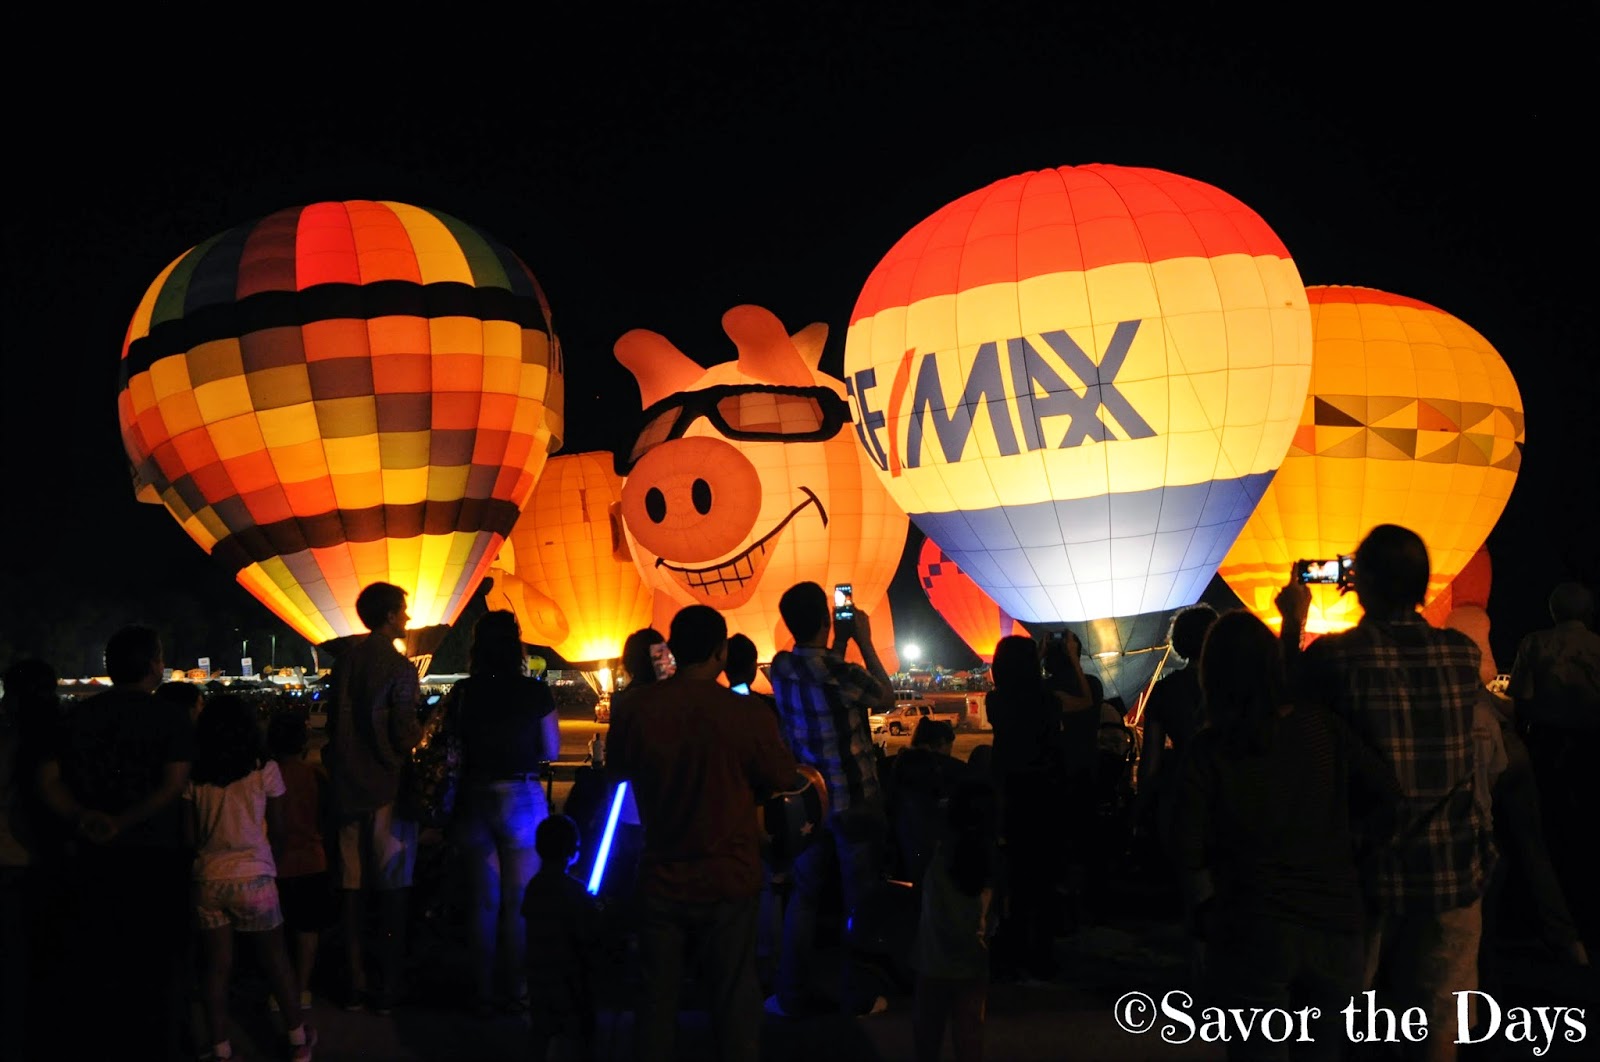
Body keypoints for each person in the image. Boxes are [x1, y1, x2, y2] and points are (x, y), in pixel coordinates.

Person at [1279, 524, 1493, 1062]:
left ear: (1362, 582)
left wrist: (1291, 622)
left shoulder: (1336, 659)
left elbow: (1284, 705)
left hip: (1364, 868)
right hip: (1450, 865)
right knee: (1440, 1022)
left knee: (1339, 1019)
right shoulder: (1462, 656)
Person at [1173, 611, 1400, 1062]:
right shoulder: (1322, 728)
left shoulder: (1210, 750)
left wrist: (1200, 923)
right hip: (1334, 921)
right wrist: (1356, 847)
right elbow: (1388, 795)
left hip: (1251, 926)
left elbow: (1186, 847)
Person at [609, 604, 798, 1062]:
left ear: (672, 649)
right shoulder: (746, 713)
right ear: (722, 651)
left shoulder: (636, 709)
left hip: (661, 872)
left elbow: (618, 770)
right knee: (734, 997)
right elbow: (782, 776)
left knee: (656, 1001)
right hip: (729, 875)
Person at [35, 625, 195, 1059]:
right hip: (154, 858)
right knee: (155, 964)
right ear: (151, 665)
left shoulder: (76, 718)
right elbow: (173, 784)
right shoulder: (170, 717)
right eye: (160, 657)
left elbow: (47, 780)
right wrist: (124, 821)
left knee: (98, 957)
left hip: (91, 854)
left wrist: (84, 817)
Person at [767, 581, 896, 1018]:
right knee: (858, 901)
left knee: (804, 898)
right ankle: (856, 995)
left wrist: (836, 641)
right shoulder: (846, 674)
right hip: (856, 801)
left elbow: (820, 670)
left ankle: (789, 994)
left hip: (810, 803)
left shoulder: (782, 668)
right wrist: (864, 640)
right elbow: (887, 695)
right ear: (826, 618)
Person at [186, 695, 316, 1062]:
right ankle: (297, 1040)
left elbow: (190, 836)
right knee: (276, 960)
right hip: (255, 877)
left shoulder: (196, 775)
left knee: (216, 967)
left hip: (209, 879)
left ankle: (220, 1048)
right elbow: (278, 827)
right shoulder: (265, 770)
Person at [446, 609, 561, 1015]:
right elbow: (550, 750)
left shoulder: (463, 693)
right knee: (518, 901)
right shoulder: (533, 692)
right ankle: (518, 988)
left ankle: (482, 990)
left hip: (474, 797)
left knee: (483, 902)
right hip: (521, 795)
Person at [321, 582, 422, 1013]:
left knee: (351, 888)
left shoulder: (345, 663)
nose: (408, 618)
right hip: (387, 789)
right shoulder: (400, 669)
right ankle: (389, 984)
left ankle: (355, 980)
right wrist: (425, 731)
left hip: (346, 788)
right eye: (402, 610)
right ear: (388, 616)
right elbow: (403, 733)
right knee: (393, 889)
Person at [1507, 581, 1600, 950]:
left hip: (1545, 744)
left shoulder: (1534, 643)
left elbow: (1521, 698)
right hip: (1591, 745)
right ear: (1589, 612)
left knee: (1546, 829)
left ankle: (1547, 915)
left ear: (1553, 612)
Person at [985, 634, 1069, 981]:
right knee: (1044, 879)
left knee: (1014, 879)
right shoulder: (1048, 700)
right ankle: (1043, 955)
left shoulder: (995, 701)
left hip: (1010, 792)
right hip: (1046, 793)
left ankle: (1012, 952)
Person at [912, 779, 999, 1062]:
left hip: (933, 962)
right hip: (973, 963)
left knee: (928, 1033)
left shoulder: (939, 860)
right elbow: (996, 916)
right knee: (969, 1032)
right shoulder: (991, 863)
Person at [267, 710, 336, 1012]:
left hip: (277, 862)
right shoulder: (315, 776)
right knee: (307, 931)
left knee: (278, 932)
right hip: (311, 859)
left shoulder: (266, 777)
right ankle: (301, 987)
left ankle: (279, 990)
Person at [1136, 604, 1219, 846]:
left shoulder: (1164, 690)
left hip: (1182, 790)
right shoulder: (1232, 683)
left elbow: (1151, 759)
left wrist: (1141, 806)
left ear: (1178, 640)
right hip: (1227, 790)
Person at [522, 813, 603, 1062]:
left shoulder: (534, 887)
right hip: (570, 979)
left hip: (539, 977)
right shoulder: (575, 892)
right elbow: (588, 932)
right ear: (574, 851)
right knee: (578, 1035)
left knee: (541, 1032)